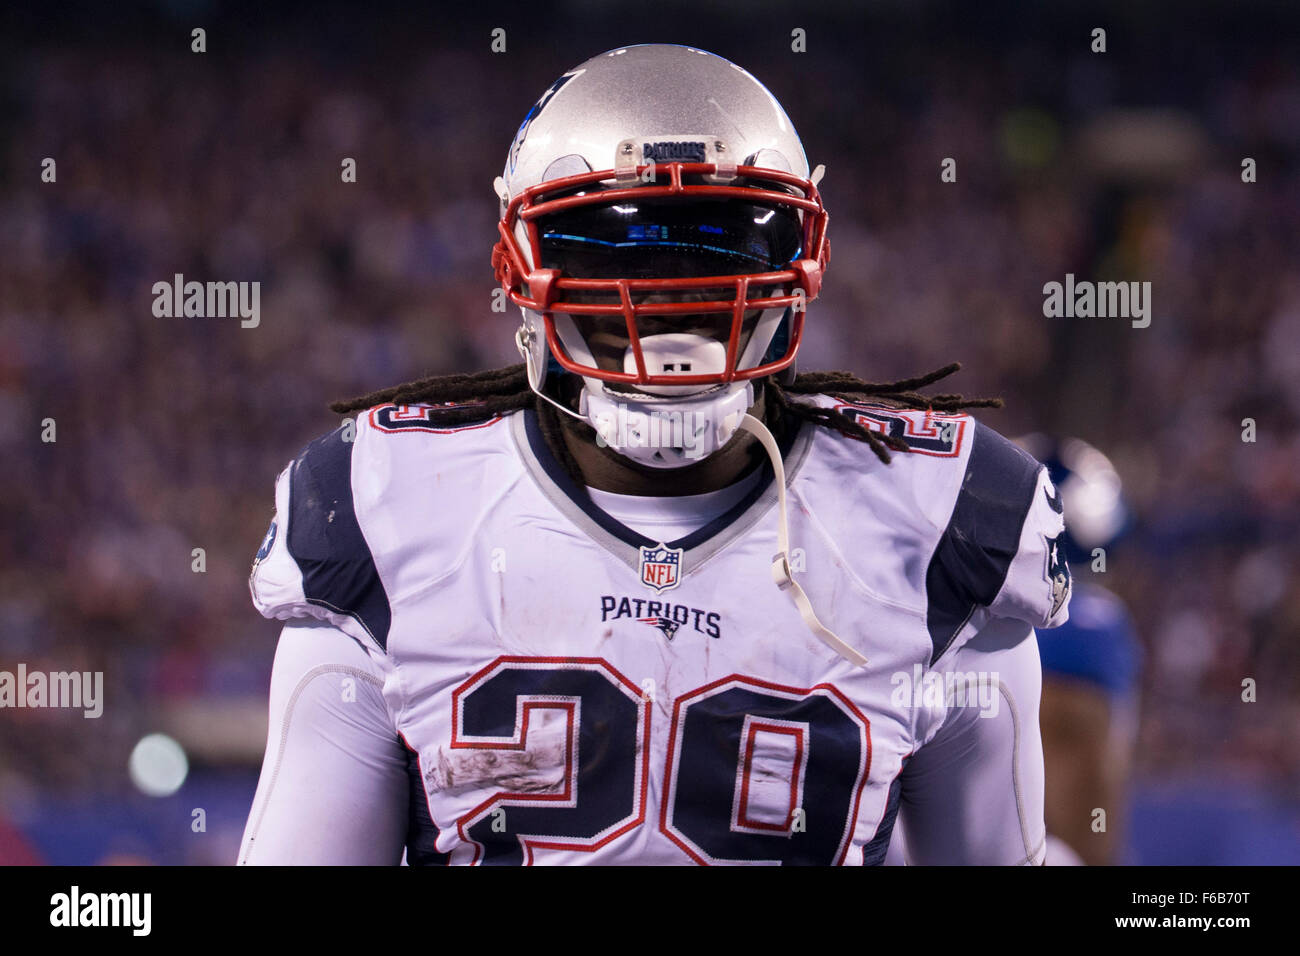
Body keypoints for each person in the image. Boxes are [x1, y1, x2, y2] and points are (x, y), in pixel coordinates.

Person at [239, 44, 1070, 865]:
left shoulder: (942, 519)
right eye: (616, 248)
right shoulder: (382, 504)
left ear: (799, 261)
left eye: (718, 246)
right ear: (519, 269)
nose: (669, 298)